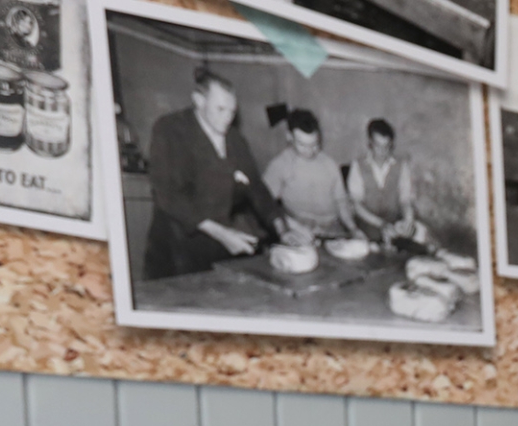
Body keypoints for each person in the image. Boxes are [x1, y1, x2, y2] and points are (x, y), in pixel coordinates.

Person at [142, 68, 282, 280]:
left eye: (232, 112)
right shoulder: (170, 129)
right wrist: (223, 234)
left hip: (216, 247)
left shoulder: (235, 139)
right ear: (198, 100)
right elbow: (168, 196)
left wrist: (281, 226)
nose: (227, 118)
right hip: (176, 247)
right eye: (220, 109)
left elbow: (256, 188)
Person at [262, 109, 352, 238]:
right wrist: (292, 226)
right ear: (289, 137)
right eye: (303, 145)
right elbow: (265, 204)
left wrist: (353, 229)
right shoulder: (280, 165)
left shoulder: (330, 164)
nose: (310, 151)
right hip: (299, 231)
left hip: (332, 230)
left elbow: (341, 202)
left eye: (314, 145)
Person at [347, 119, 426, 252]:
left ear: (391, 145)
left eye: (387, 146)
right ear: (370, 144)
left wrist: (408, 219)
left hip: (394, 223)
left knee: (417, 239)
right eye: (378, 146)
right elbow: (357, 205)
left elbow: (405, 199)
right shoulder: (358, 165)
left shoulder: (401, 165)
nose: (382, 152)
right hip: (367, 225)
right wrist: (381, 225)